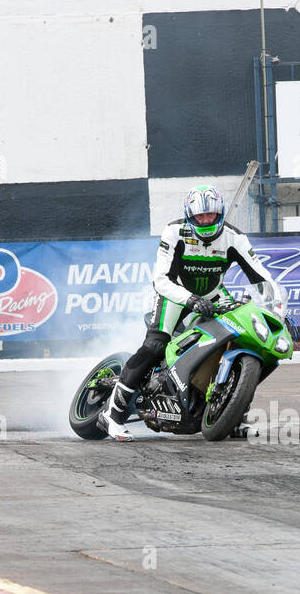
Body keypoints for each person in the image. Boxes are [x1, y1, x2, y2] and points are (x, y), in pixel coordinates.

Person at [100, 184, 286, 440]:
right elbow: (161, 280)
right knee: (155, 345)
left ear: (219, 215)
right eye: (200, 216)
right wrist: (190, 300)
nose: (206, 220)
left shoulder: (235, 238)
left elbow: (261, 277)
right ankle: (112, 413)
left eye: (211, 215)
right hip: (175, 295)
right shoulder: (174, 232)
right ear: (190, 216)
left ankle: (234, 416)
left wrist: (276, 306)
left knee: (242, 339)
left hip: (214, 296)